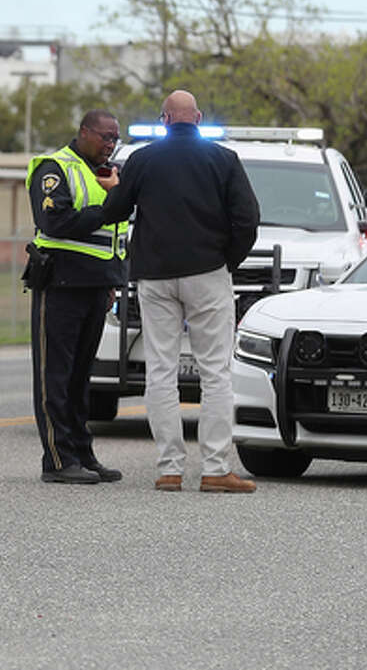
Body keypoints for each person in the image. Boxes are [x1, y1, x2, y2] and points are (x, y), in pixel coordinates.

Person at [99, 90, 260, 493]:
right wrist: (227, 261)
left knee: (161, 370)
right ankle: (215, 468)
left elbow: (116, 211)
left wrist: (114, 187)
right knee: (215, 372)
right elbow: (247, 220)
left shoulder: (142, 160)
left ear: (165, 120)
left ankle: (169, 468)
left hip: (154, 276)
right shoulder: (223, 159)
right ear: (199, 118)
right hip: (206, 272)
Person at [24, 109, 128, 485]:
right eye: (104, 136)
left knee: (81, 378)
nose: (109, 144)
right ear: (83, 132)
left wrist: (114, 278)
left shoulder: (108, 175)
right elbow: (56, 222)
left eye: (114, 138)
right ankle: (56, 458)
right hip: (62, 284)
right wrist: (106, 206)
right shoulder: (54, 168)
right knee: (56, 375)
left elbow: (116, 237)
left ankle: (82, 453)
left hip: (98, 285)